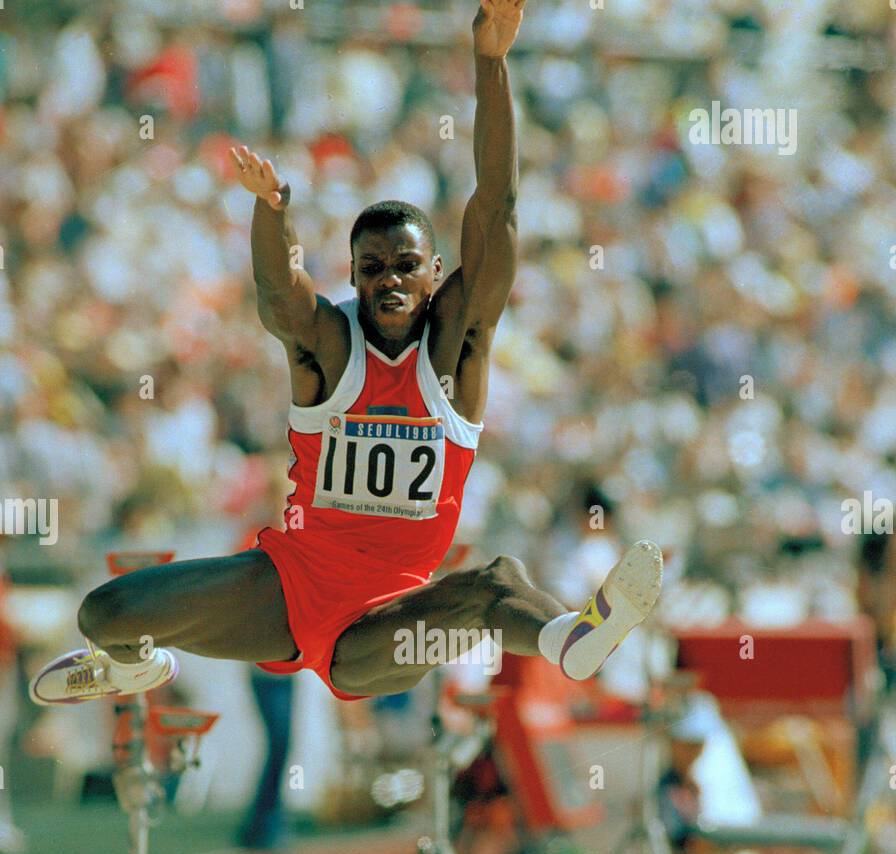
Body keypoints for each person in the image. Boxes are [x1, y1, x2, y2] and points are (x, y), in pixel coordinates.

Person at [30, 1, 662, 714]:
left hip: (386, 626)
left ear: (436, 273)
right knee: (103, 614)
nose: (388, 279)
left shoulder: (457, 353)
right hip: (287, 587)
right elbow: (278, 297)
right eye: (371, 266)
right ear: (354, 274)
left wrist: (490, 65)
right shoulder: (333, 348)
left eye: (405, 265)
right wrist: (272, 213)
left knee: (492, 582)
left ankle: (569, 636)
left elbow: (499, 205)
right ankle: (133, 666)